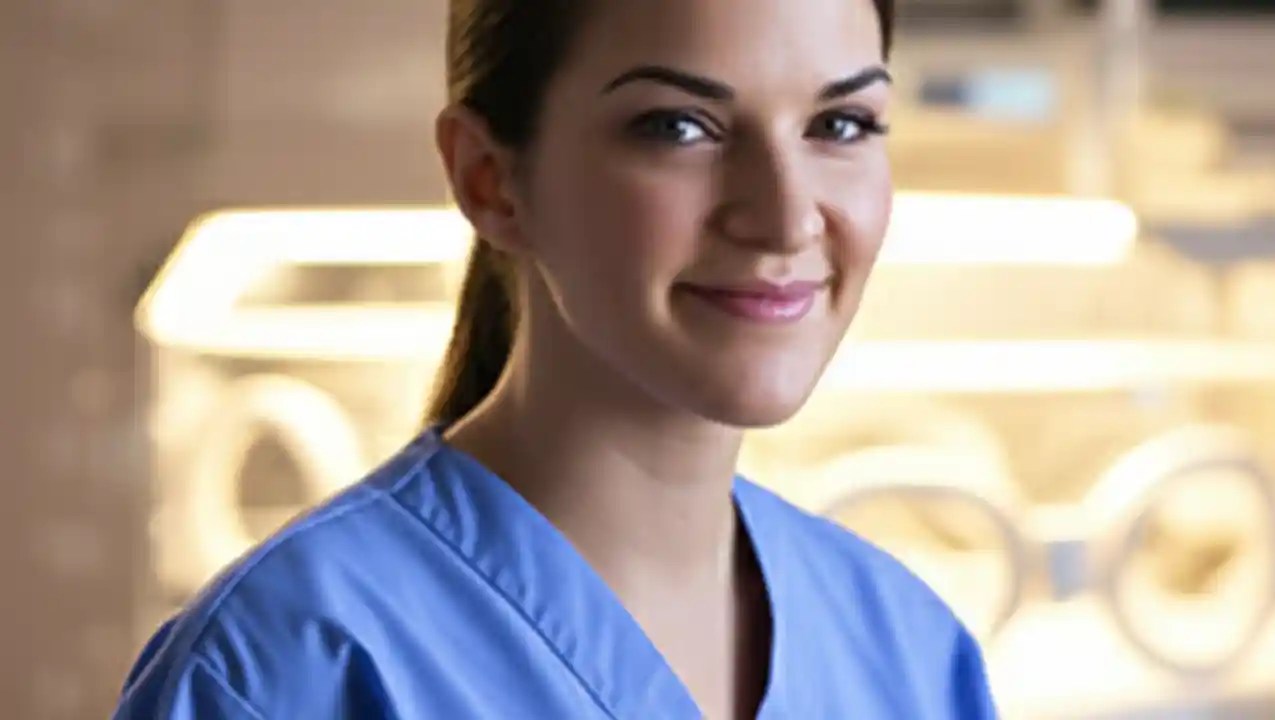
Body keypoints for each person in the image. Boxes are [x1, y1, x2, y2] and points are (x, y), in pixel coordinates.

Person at [114, 0, 999, 717]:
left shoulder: (908, 656)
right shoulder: (291, 669)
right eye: (679, 127)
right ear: (490, 179)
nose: (785, 217)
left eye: (841, 124)